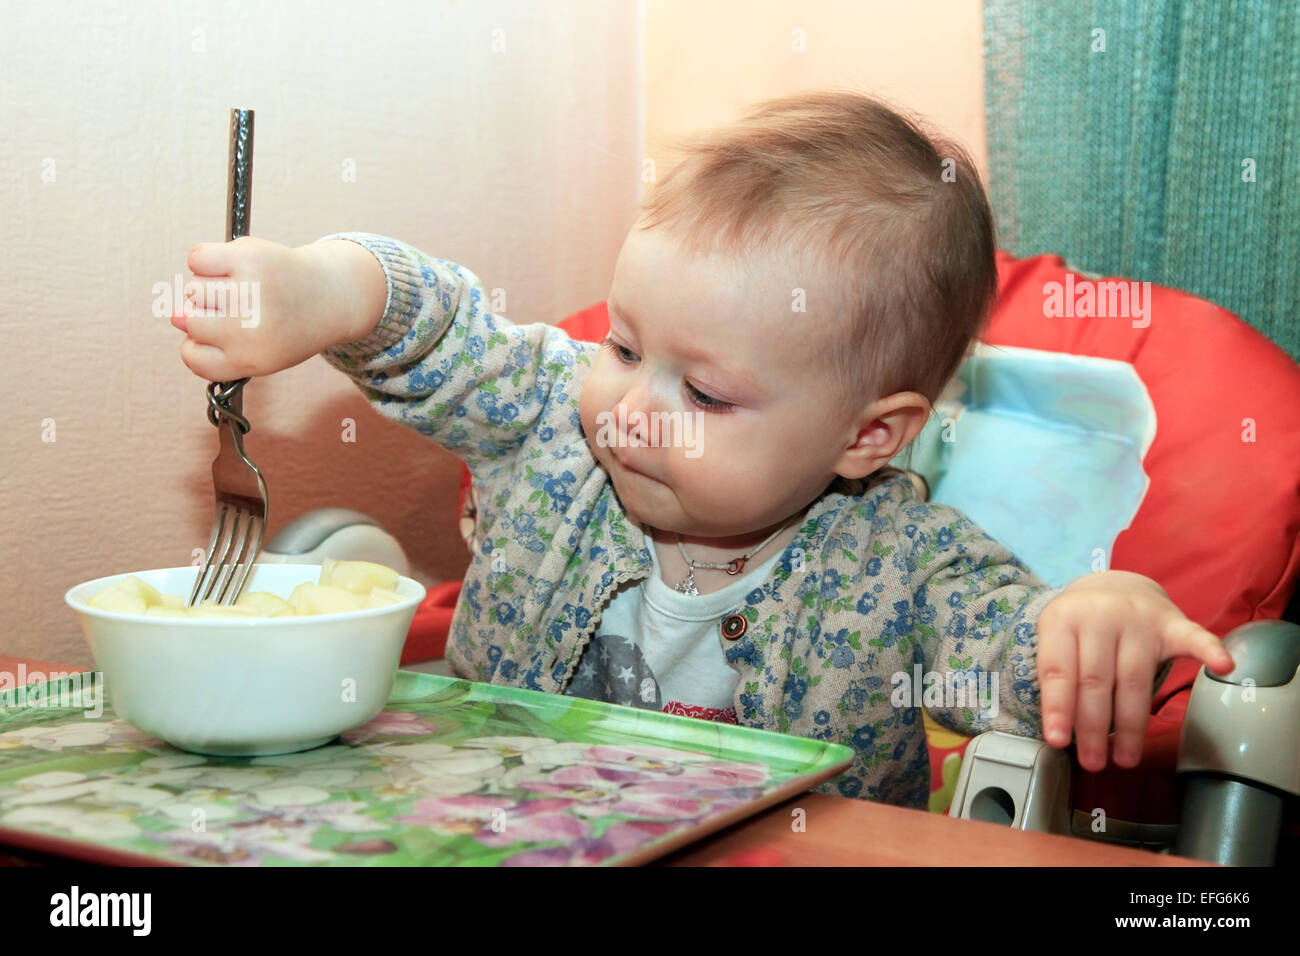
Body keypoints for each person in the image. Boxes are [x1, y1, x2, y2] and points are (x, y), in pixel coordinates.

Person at [171, 90, 1233, 807]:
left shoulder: (903, 563)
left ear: (866, 435)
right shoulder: (550, 428)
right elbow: (442, 328)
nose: (632, 407)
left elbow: (1009, 651)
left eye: (708, 393)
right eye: (624, 345)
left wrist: (1087, 623)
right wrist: (330, 289)